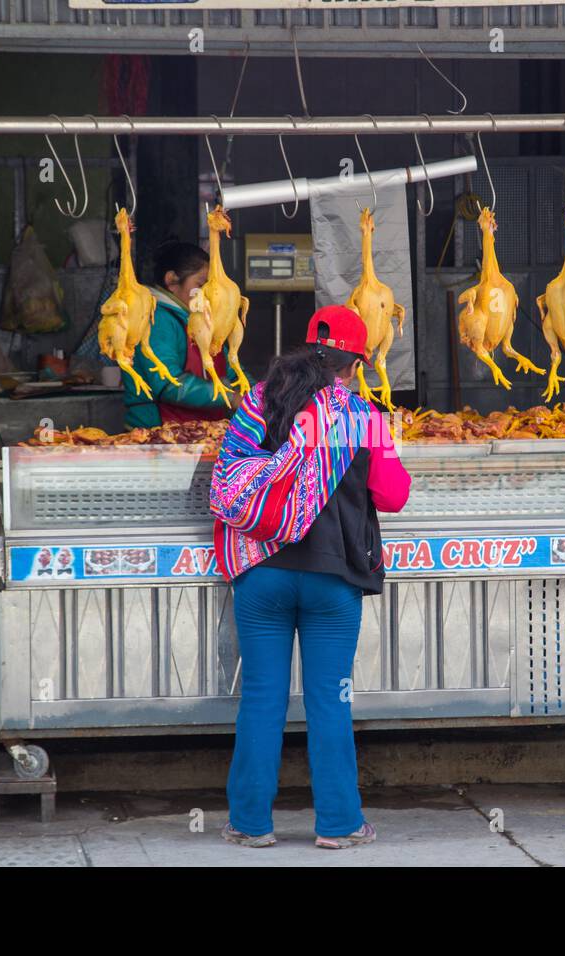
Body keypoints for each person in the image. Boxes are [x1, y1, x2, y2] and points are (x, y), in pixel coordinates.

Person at [209, 304, 411, 849]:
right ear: (355, 363)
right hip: (332, 579)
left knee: (262, 697)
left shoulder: (259, 402)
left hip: (261, 573)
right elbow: (393, 496)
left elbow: (227, 473)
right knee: (330, 700)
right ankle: (340, 824)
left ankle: (250, 824)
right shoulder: (363, 417)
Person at [122, 240, 236, 429]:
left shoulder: (198, 319)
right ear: (172, 280)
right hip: (155, 436)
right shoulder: (155, 319)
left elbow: (231, 369)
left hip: (200, 433)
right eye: (200, 285)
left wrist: (257, 394)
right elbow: (168, 384)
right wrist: (230, 397)